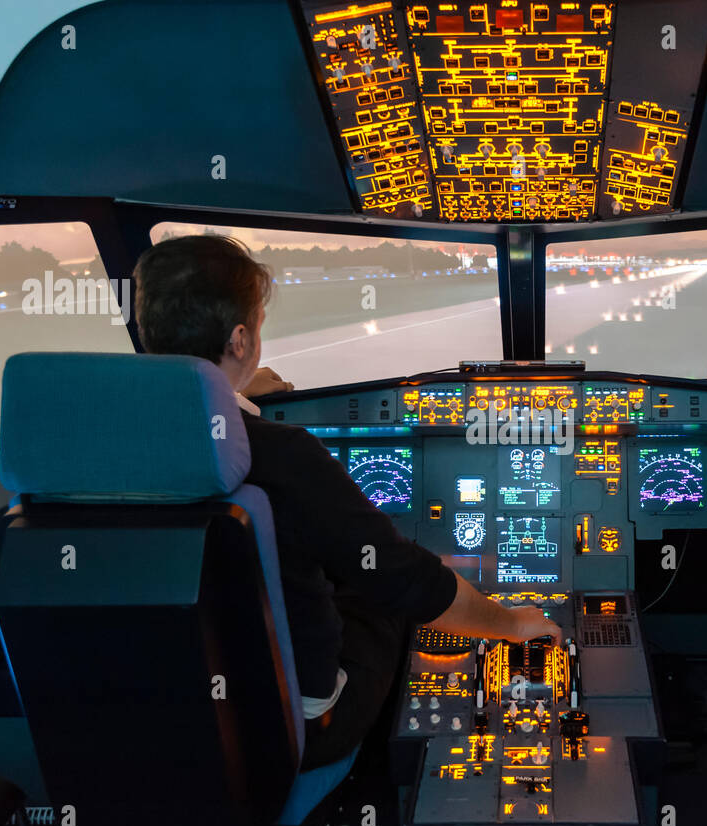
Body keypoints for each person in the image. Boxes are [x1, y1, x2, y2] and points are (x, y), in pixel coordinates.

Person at [133, 234, 558, 768]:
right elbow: (405, 578)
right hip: (295, 722)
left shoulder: (106, 447)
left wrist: (235, 394)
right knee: (381, 591)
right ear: (240, 340)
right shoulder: (283, 455)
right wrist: (513, 623)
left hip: (150, 701)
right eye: (257, 327)